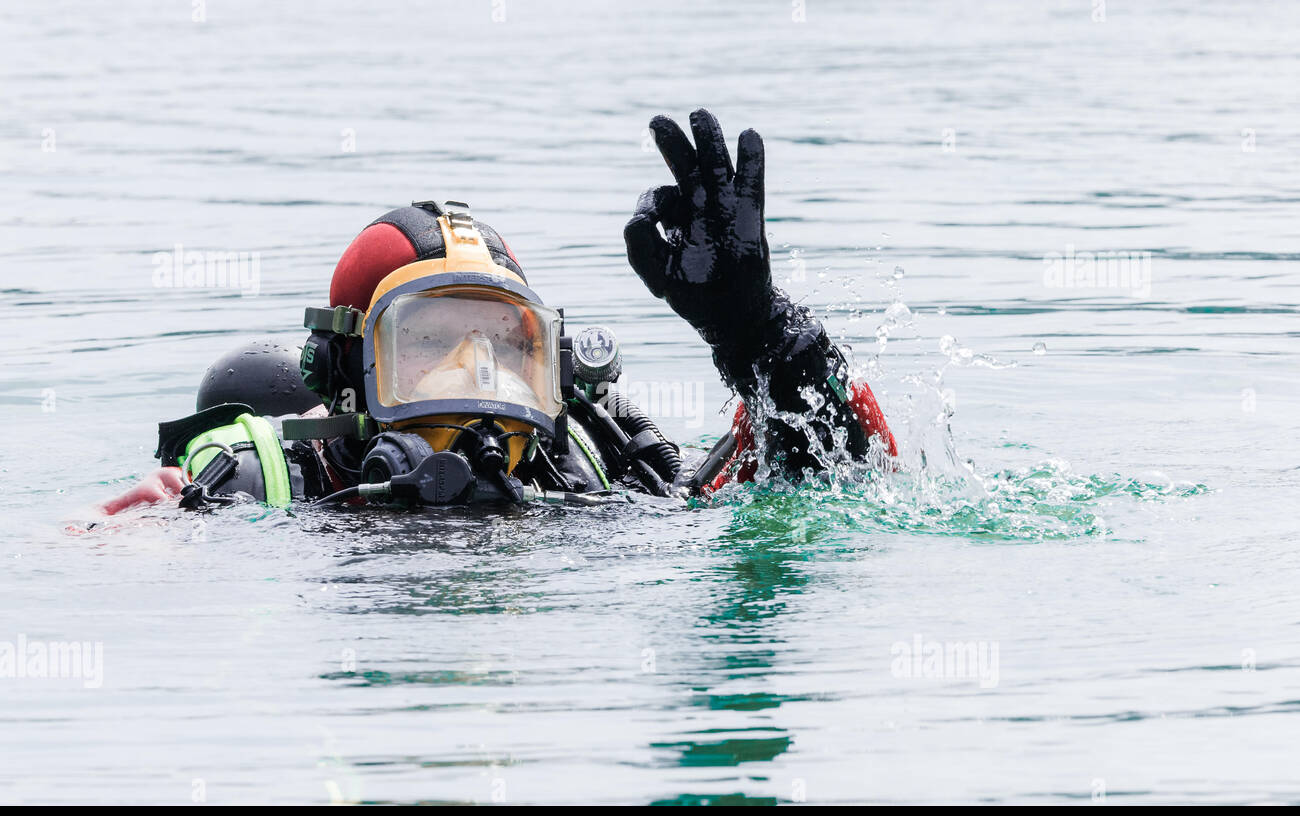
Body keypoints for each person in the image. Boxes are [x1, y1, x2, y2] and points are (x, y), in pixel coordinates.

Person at [104, 110, 896, 515]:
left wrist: (761, 336)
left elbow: (844, 490)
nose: (479, 380)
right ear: (351, 376)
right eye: (430, 345)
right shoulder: (263, 490)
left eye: (506, 349)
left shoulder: (585, 469)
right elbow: (108, 540)